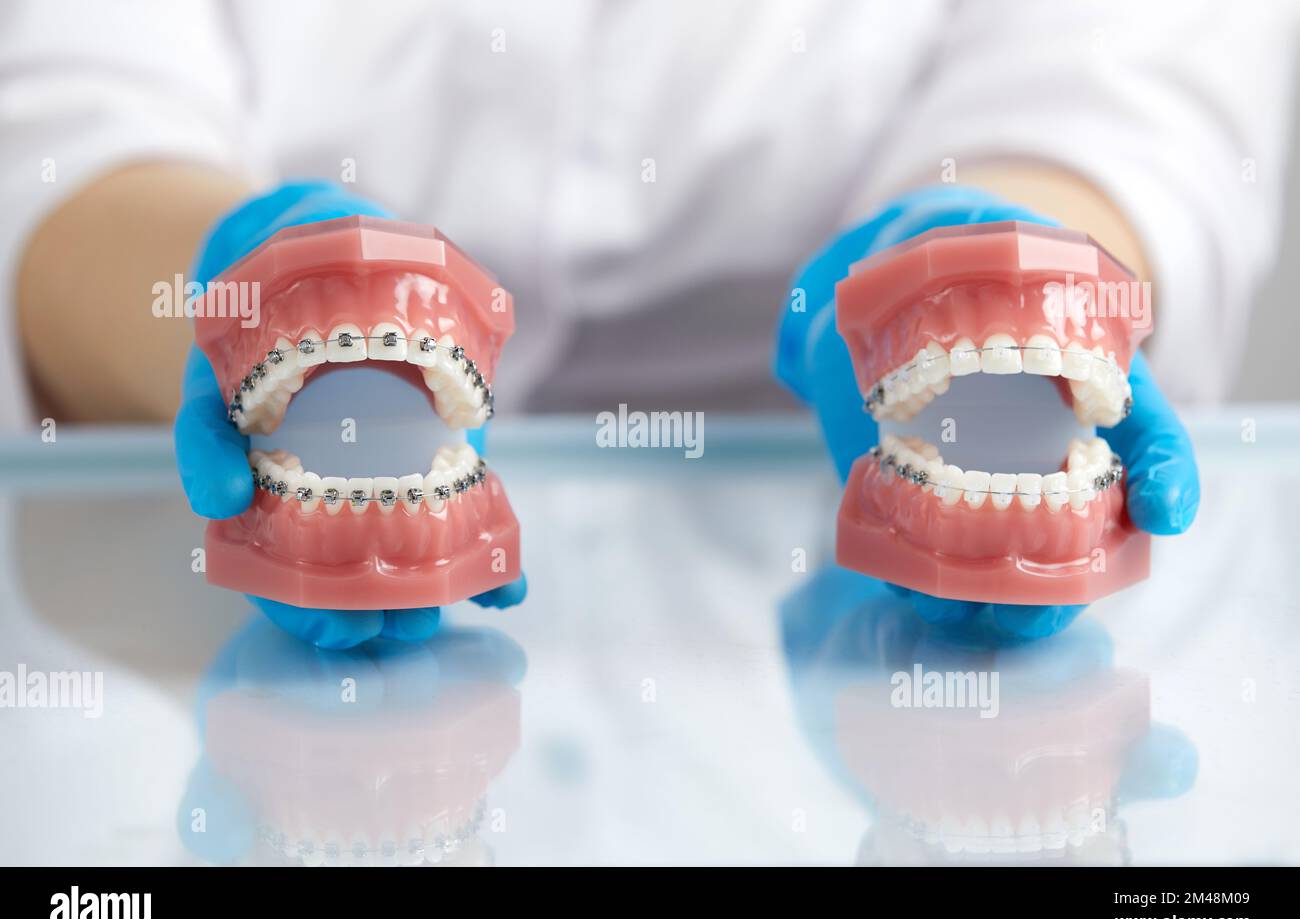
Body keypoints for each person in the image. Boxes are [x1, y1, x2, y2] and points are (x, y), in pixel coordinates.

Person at [2, 0, 1293, 642]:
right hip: (166, 652)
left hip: (800, 683)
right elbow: (62, 126)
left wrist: (1003, 270)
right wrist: (232, 290)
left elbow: (1127, 104)